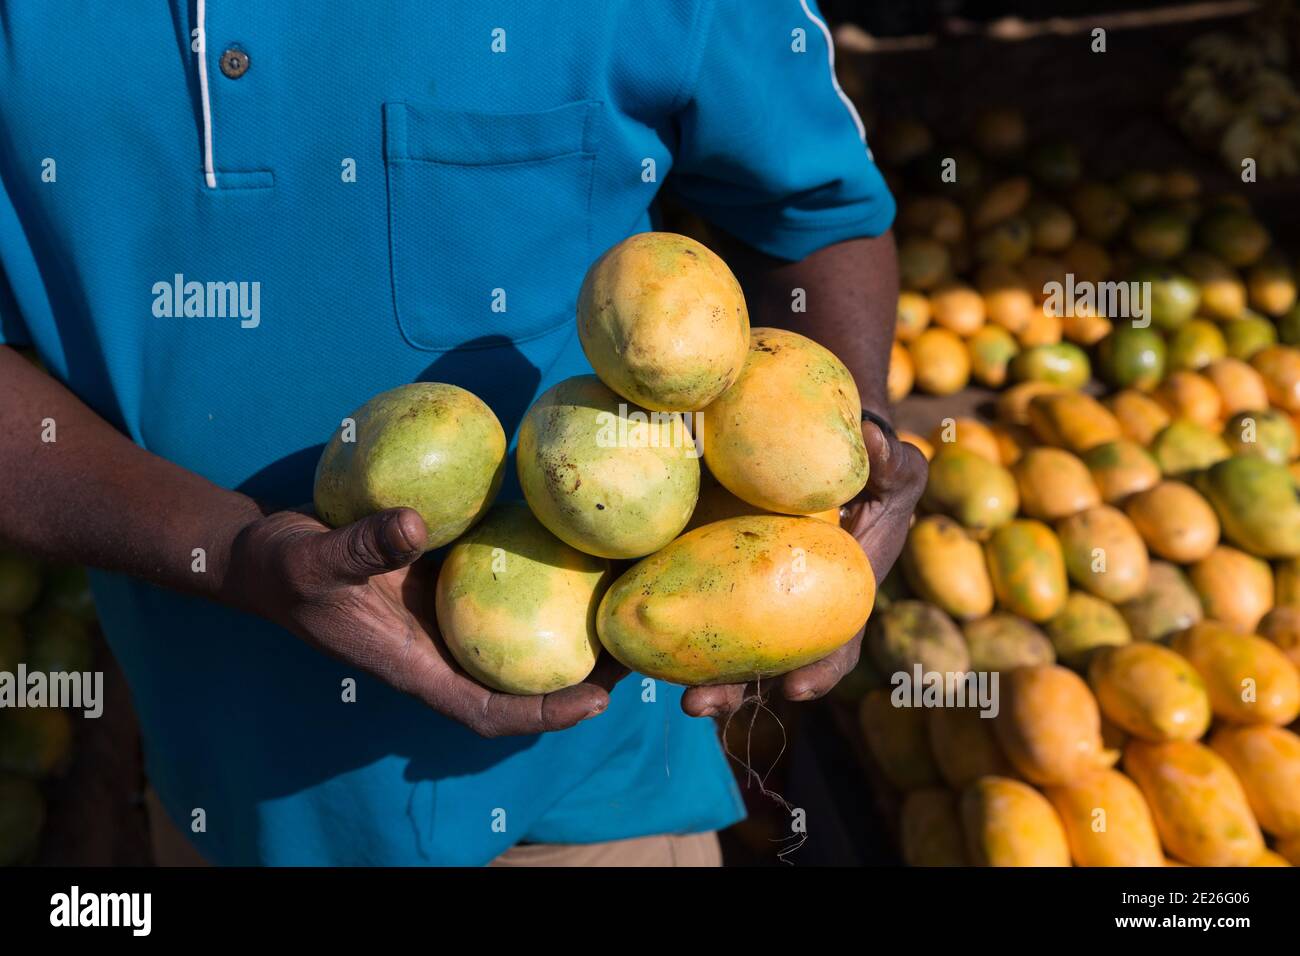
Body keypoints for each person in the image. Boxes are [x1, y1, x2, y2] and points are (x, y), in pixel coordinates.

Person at [0, 0, 925, 865]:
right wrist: (228, 553)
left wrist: (848, 446)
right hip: (226, 799)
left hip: (590, 796)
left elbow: (820, 215)